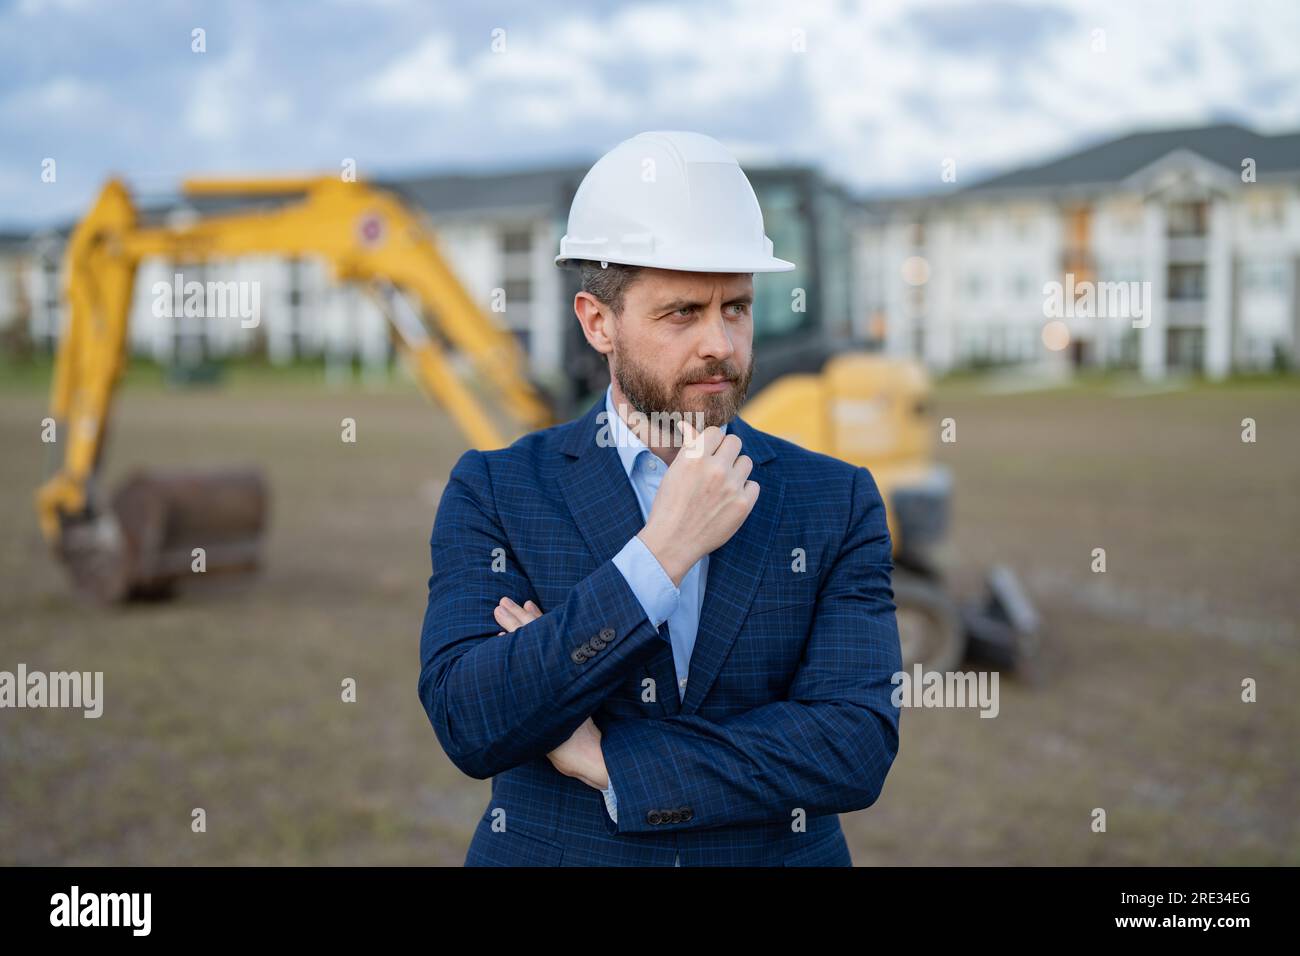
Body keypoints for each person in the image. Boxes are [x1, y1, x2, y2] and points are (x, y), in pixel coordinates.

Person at [417, 130, 901, 866]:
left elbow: (852, 746)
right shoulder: (496, 490)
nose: (720, 344)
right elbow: (471, 717)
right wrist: (660, 555)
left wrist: (612, 764)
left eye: (735, 308)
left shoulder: (836, 501)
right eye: (682, 313)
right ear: (597, 321)